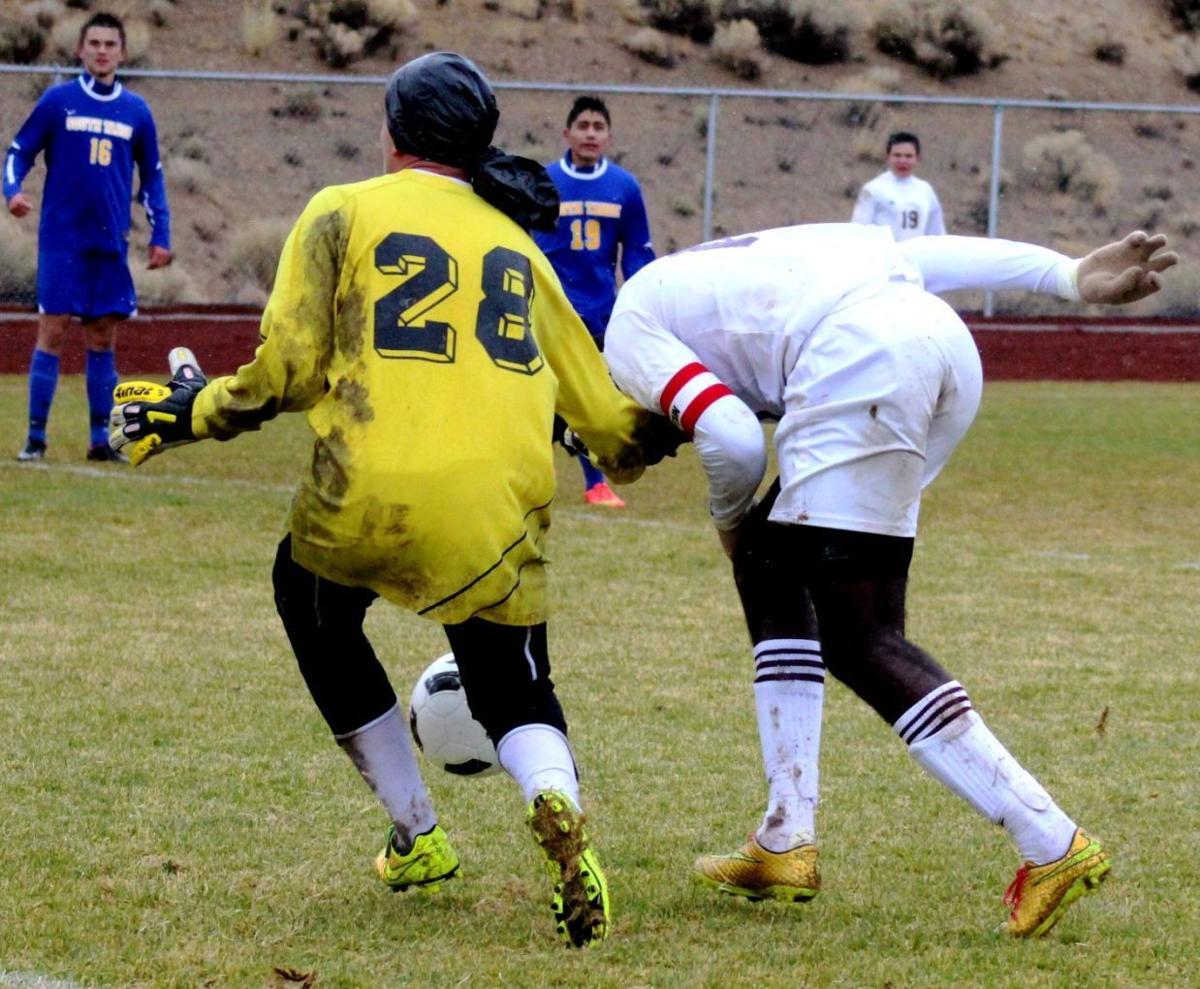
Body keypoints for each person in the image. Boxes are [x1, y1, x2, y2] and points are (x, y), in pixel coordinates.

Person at [109, 53, 680, 949]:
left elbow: (286, 371)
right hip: (495, 505)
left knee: (312, 605)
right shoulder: (522, 251)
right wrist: (697, 418)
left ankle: (418, 835)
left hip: (363, 490)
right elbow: (611, 423)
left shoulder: (341, 209)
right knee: (512, 683)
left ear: (393, 132)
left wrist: (197, 411)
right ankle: (554, 800)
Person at [602, 224, 1175, 936]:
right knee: (773, 566)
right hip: (940, 348)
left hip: (861, 363)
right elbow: (931, 251)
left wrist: (726, 520)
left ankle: (1051, 840)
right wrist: (1064, 275)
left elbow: (732, 435)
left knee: (860, 636)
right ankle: (785, 836)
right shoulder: (737, 262)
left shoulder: (624, 333)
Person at [5, 11, 172, 463]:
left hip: (109, 245)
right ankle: (35, 440)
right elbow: (19, 151)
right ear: (79, 50)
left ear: (122, 52)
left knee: (102, 339)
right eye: (93, 43)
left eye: (110, 44)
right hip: (62, 241)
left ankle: (102, 440)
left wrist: (162, 233)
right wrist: (12, 191)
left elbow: (152, 177)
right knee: (53, 332)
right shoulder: (59, 101)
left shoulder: (137, 111)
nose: (101, 51)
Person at [534, 95, 656, 508]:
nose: (590, 133)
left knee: (591, 399)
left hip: (601, 312)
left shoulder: (624, 187)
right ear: (566, 133)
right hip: (548, 311)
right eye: (582, 125)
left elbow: (637, 252)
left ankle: (595, 482)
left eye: (598, 127)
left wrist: (645, 298)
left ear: (609, 137)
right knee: (537, 394)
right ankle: (535, 473)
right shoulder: (545, 182)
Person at [851, 131, 945, 241]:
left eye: (908, 156)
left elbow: (936, 233)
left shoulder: (925, 190)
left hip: (916, 256)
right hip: (885, 256)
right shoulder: (873, 189)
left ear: (918, 158)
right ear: (888, 157)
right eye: (897, 155)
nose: (902, 161)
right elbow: (858, 230)